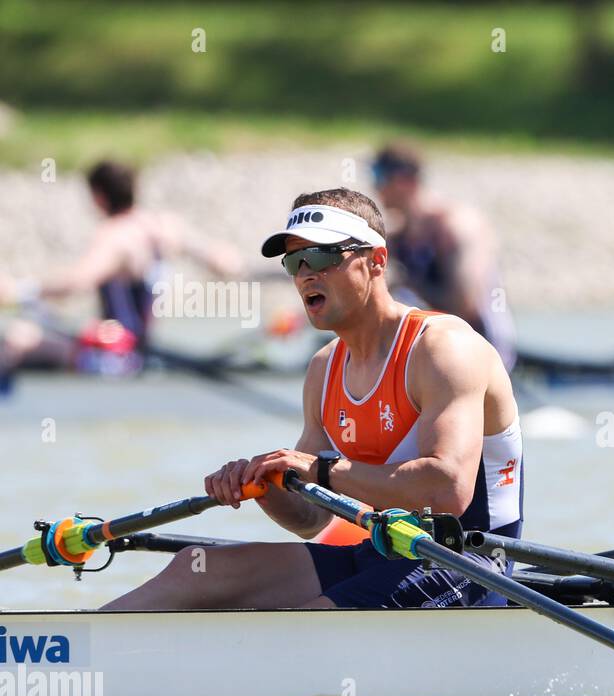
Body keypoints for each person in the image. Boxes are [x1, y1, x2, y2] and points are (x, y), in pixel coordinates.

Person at [104, 188, 524, 611]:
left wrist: (320, 470)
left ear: (376, 261)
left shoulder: (444, 349)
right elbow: (311, 519)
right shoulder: (325, 369)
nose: (305, 274)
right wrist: (265, 484)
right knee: (196, 570)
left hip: (468, 566)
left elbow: (446, 490)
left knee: (312, 621)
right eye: (293, 261)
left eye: (322, 257)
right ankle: (79, 647)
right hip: (380, 556)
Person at [0, 160, 241, 389]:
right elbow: (225, 261)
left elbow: (78, 281)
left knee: (19, 337)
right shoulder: (165, 227)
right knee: (47, 322)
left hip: (113, 358)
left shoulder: (115, 237)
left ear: (99, 197)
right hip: (142, 351)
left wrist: (20, 290)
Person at [371, 142, 517, 369]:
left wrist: (406, 283)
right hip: (433, 345)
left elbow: (465, 303)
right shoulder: (399, 235)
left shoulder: (457, 227)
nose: (374, 187)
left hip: (482, 347)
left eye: (378, 176)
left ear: (406, 181)